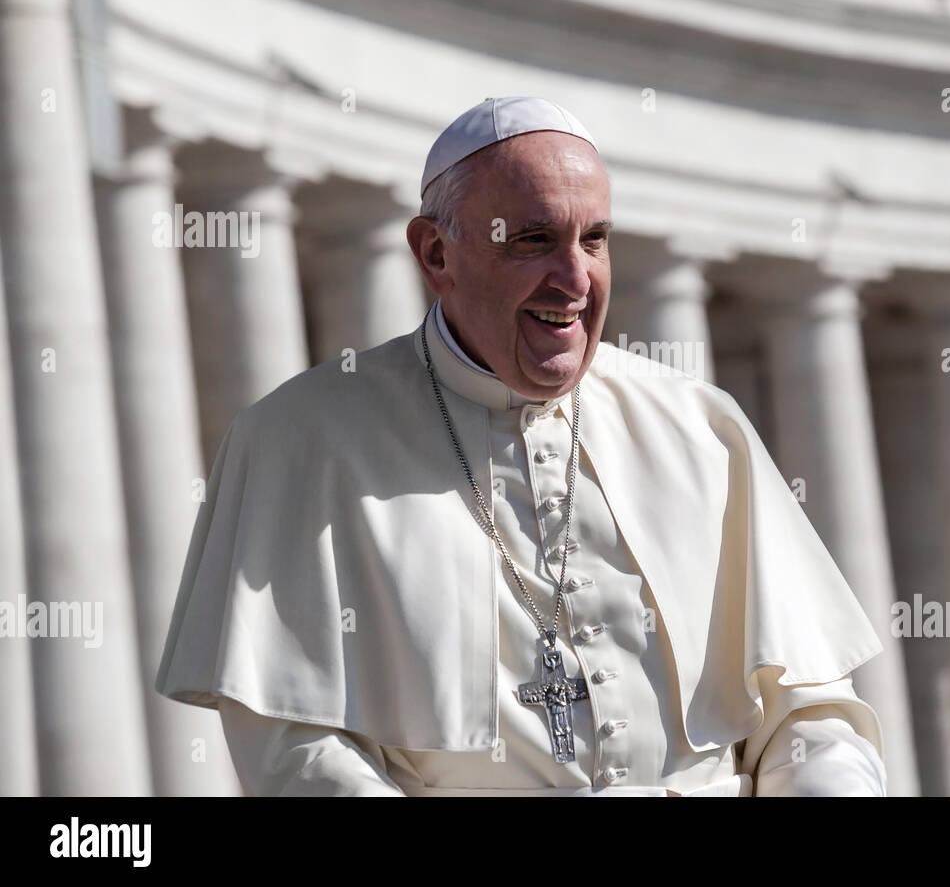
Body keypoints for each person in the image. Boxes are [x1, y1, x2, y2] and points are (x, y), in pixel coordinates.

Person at [155, 96, 889, 796]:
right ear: (436, 253)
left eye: (594, 239)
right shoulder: (301, 441)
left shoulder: (701, 430)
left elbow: (810, 716)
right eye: (534, 239)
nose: (574, 280)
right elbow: (299, 752)